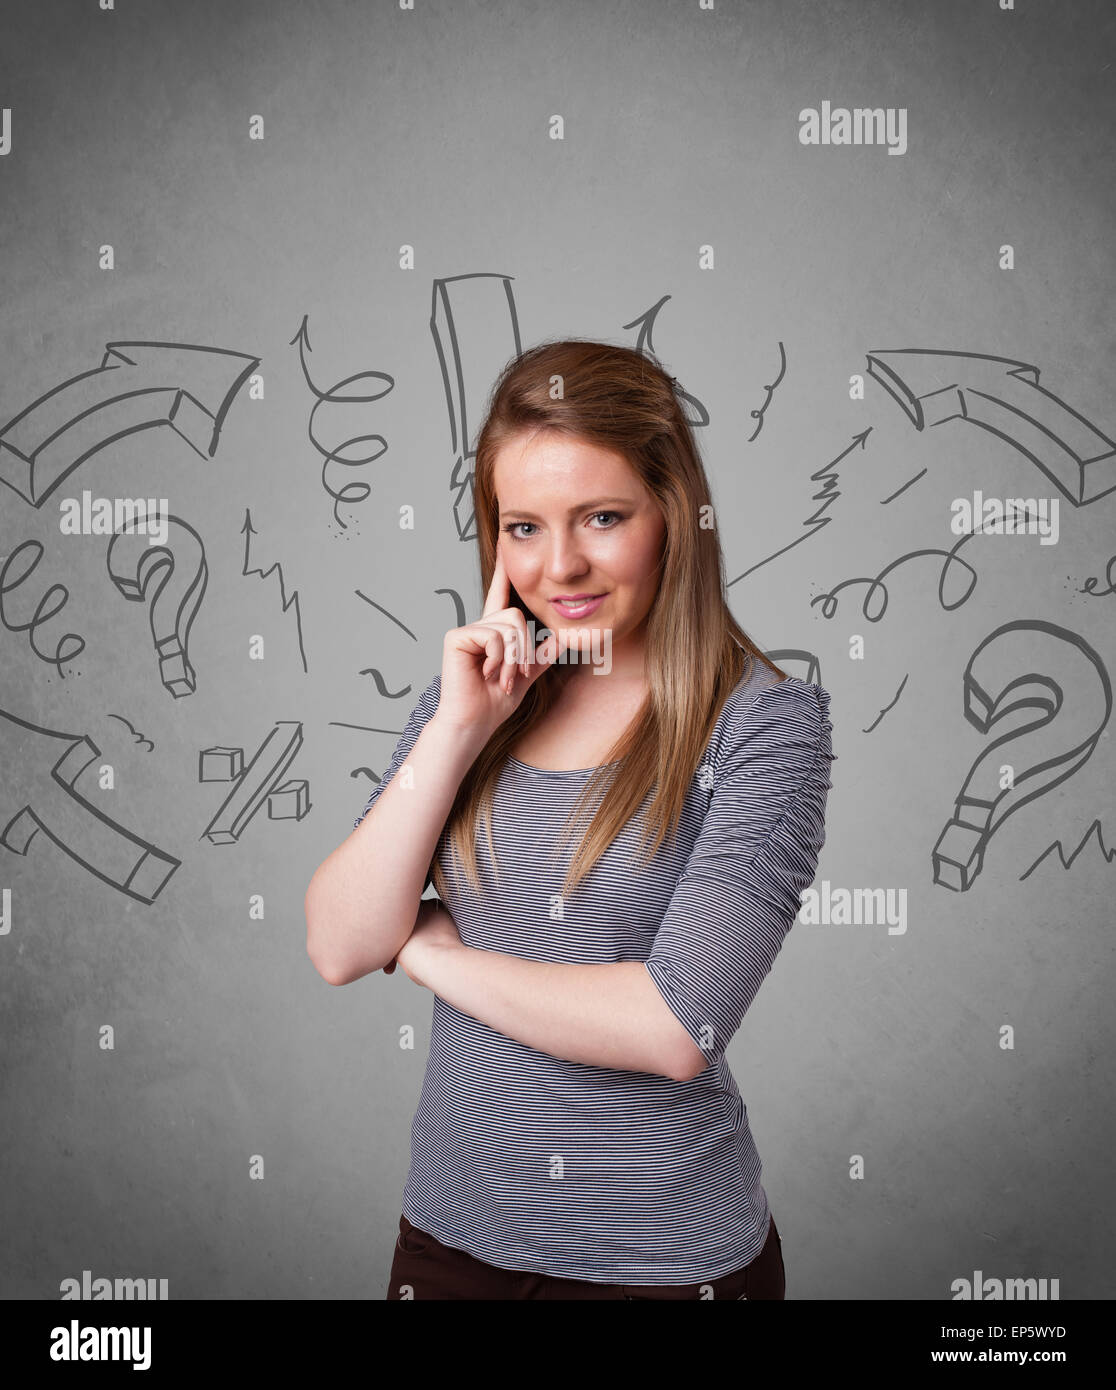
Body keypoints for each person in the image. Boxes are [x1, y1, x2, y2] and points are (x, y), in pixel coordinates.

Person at [304, 340, 836, 1299]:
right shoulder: (477, 694)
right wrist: (462, 726)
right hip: (447, 1241)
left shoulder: (765, 726)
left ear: (673, 514)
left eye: (602, 517)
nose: (561, 567)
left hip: (661, 1269)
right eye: (523, 528)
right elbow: (341, 941)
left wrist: (424, 953)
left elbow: (678, 1025)